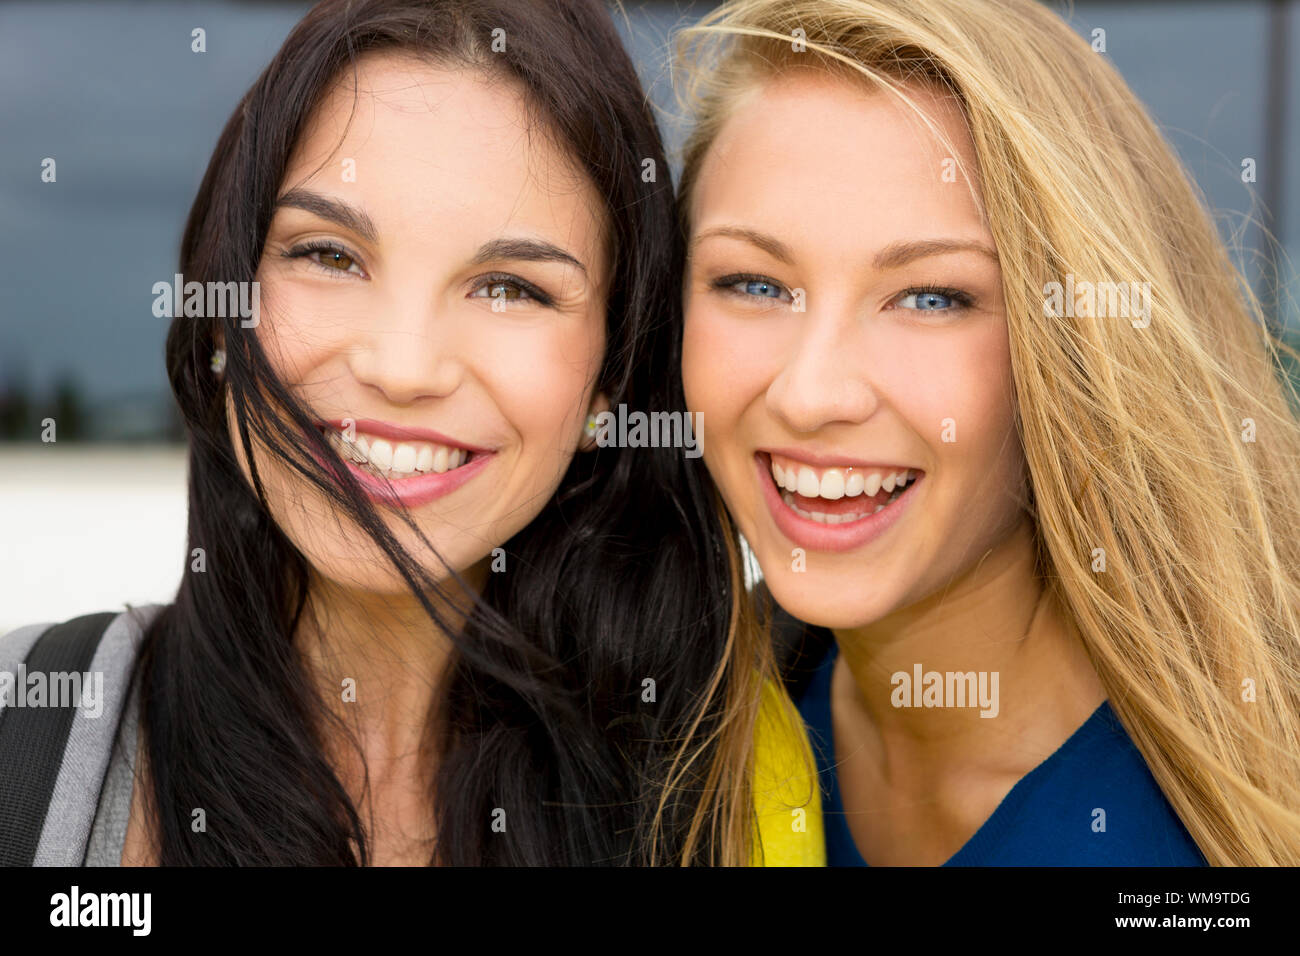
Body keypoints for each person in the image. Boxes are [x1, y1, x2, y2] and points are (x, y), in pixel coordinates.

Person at [0, 0, 821, 867]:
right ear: (219, 314)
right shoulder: (24, 732)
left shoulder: (727, 788)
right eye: (328, 255)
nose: (404, 367)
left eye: (510, 287)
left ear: (608, 386)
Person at [675, 0, 1300, 864]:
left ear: (1082, 345)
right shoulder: (671, 736)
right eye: (754, 283)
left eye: (932, 298)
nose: (812, 392)